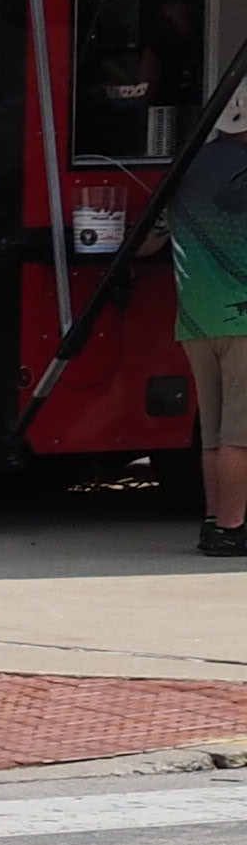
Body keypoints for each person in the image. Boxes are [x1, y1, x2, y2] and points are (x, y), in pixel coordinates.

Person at [171, 66, 247, 560]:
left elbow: (152, 237)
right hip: (243, 320)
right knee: (240, 436)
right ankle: (233, 529)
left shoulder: (185, 169)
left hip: (194, 319)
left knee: (213, 430)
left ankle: (211, 522)